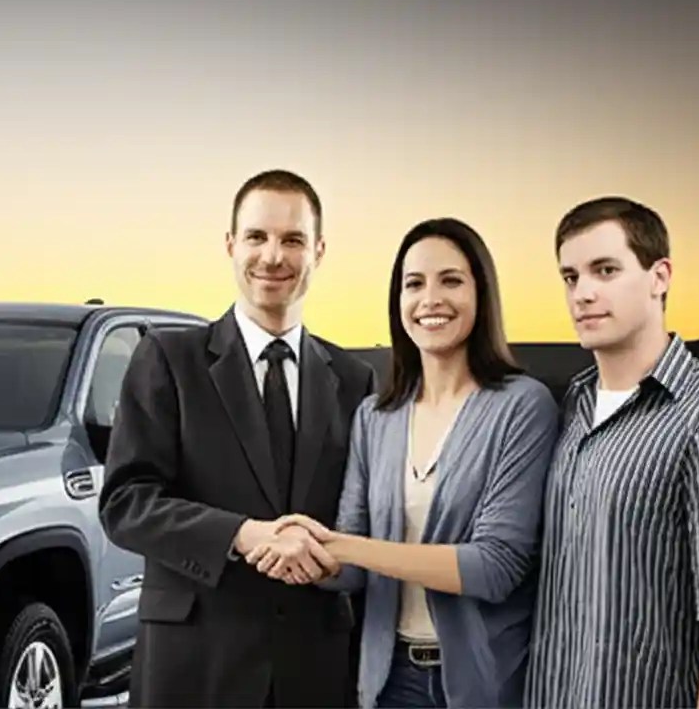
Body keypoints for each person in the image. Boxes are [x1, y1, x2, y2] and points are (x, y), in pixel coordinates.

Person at [250, 218, 560, 708]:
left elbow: (495, 567)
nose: (430, 299)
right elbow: (350, 572)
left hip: (486, 684)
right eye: (413, 284)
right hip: (389, 681)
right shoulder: (377, 416)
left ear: (483, 294)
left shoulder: (522, 406)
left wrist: (344, 545)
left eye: (451, 281)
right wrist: (297, 550)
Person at [98, 169, 377, 707]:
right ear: (230, 245)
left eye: (292, 239)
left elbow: (361, 518)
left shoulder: (354, 379)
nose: (273, 256)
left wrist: (333, 554)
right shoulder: (168, 359)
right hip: (195, 664)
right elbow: (126, 503)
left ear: (319, 250)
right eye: (257, 237)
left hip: (315, 667)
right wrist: (245, 535)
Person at [523, 197, 699, 708]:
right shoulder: (571, 407)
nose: (583, 293)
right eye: (570, 277)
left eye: (605, 270)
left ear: (660, 276)